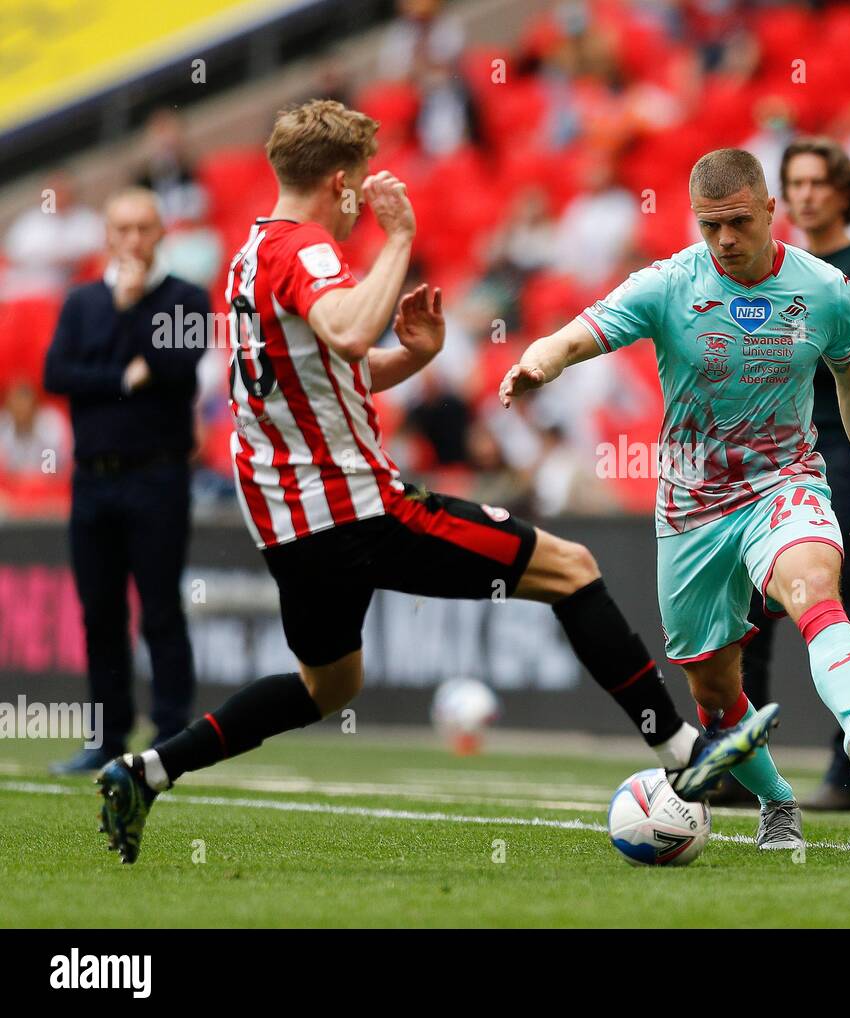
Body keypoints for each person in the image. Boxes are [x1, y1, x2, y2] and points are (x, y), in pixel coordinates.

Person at [96, 100, 775, 865]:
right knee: (571, 568)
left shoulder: (249, 254)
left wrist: (413, 356)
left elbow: (325, 369)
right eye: (360, 196)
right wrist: (403, 238)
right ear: (345, 185)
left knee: (328, 687)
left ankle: (147, 770)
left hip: (289, 525)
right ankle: (683, 749)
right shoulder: (310, 251)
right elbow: (350, 328)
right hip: (354, 507)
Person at [500, 148, 850, 851]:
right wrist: (540, 357)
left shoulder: (825, 289)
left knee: (814, 586)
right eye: (710, 225)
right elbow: (581, 331)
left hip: (785, 483)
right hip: (690, 508)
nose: (725, 239)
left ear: (769, 212)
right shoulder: (668, 285)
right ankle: (778, 802)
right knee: (716, 693)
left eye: (739, 223)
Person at [719, 137, 850, 812]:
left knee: (847, 599)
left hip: (839, 448)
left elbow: (844, 360)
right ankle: (742, 764)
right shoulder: (767, 270)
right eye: (795, 183)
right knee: (750, 608)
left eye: (819, 182)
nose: (807, 194)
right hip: (764, 451)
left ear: (844, 191)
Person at [43, 188, 206, 775]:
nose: (134, 240)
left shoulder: (185, 298)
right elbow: (57, 373)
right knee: (99, 613)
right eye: (123, 229)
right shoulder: (82, 300)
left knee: (162, 608)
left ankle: (171, 735)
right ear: (107, 235)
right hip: (92, 481)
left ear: (162, 231)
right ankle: (107, 736)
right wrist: (127, 375)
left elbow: (177, 371)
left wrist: (133, 313)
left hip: (157, 476)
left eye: (144, 228)